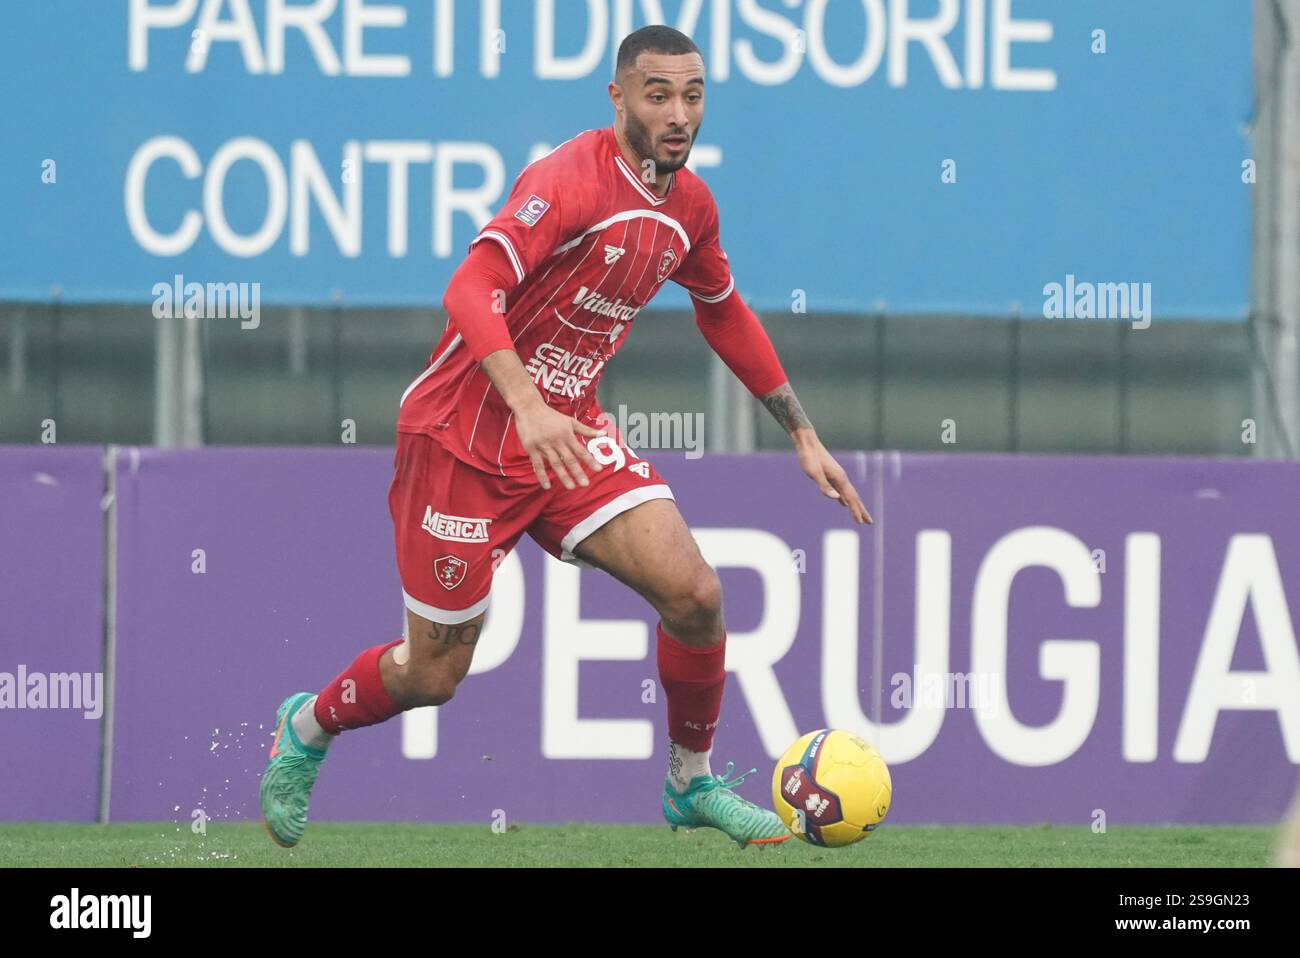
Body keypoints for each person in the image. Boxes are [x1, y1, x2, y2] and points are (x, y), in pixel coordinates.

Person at [260, 24, 871, 850]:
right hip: (463, 441)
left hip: (567, 437)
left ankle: (689, 784)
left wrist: (801, 433)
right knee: (432, 675)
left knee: (695, 597)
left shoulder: (690, 205)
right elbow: (470, 287)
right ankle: (309, 725)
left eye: (693, 96)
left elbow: (721, 309)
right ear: (618, 98)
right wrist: (527, 404)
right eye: (658, 95)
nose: (679, 113)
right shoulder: (569, 182)